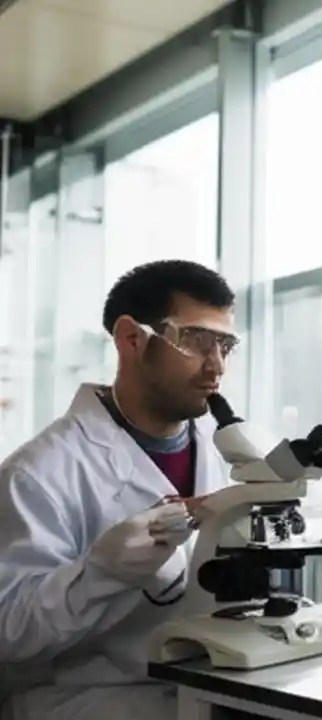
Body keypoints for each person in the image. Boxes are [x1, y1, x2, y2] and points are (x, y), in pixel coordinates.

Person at [0, 260, 239, 720]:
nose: (217, 365)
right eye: (197, 341)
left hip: (196, 681)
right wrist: (101, 574)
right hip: (82, 698)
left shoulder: (217, 448)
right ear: (132, 338)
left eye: (226, 345)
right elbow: (9, 632)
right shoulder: (37, 474)